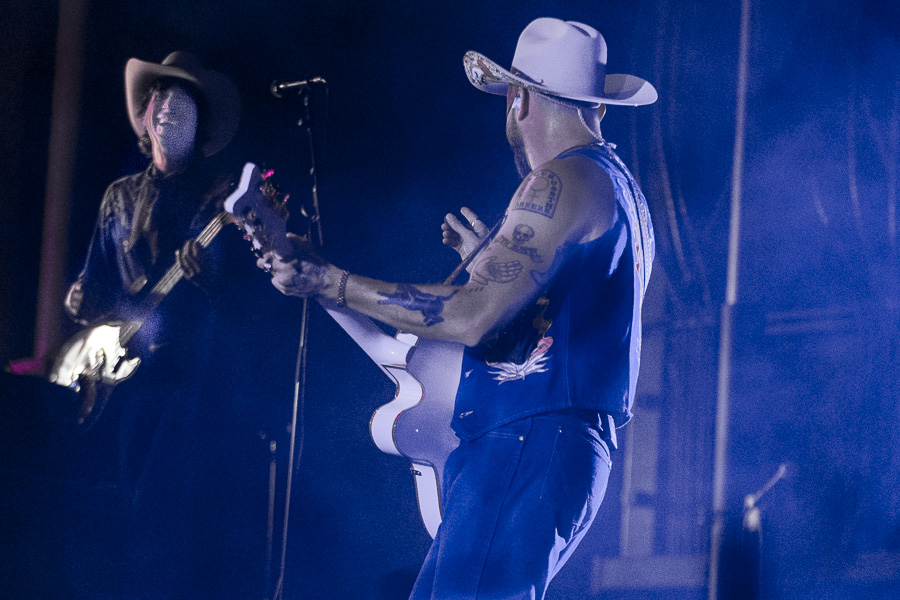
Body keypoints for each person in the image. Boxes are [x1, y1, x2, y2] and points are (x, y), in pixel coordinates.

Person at [262, 17, 657, 599]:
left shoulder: (561, 179)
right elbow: (564, 319)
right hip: (543, 448)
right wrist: (496, 273)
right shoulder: (616, 187)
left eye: (507, 98)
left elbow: (473, 314)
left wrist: (331, 279)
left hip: (525, 442)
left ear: (519, 99)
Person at [62, 51, 268, 598]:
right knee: (115, 504)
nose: (173, 111)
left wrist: (209, 280)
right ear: (148, 113)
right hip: (122, 380)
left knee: (170, 512)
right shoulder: (117, 196)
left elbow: (250, 301)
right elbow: (95, 288)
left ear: (200, 124)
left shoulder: (219, 195)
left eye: (187, 103)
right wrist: (79, 301)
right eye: (164, 99)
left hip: (195, 383)